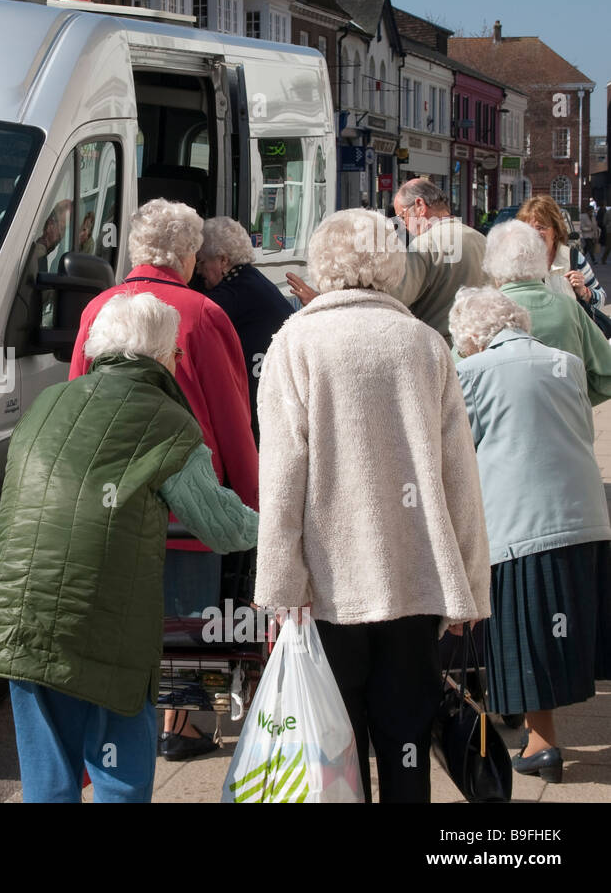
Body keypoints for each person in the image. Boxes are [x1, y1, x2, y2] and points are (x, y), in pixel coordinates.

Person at [0, 292, 260, 803]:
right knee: (120, 775)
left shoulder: (49, 403)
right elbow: (222, 527)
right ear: (168, 356)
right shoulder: (168, 422)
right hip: (106, 627)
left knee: (48, 780)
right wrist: (286, 526)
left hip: (18, 615)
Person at [255, 208, 491, 804]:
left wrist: (281, 587)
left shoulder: (296, 343)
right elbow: (459, 476)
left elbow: (282, 476)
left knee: (336, 752)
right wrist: (469, 587)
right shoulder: (424, 344)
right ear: (390, 262)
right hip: (414, 582)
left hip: (327, 590)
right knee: (406, 742)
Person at [69, 199, 257, 762]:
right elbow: (231, 417)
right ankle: (184, 727)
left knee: (126, 617)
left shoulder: (98, 308)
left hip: (113, 499)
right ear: (190, 254)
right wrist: (247, 501)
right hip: (189, 506)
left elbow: (80, 400)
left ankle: (131, 720)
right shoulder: (202, 313)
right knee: (187, 622)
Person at [449, 287, 611, 784]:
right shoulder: (565, 362)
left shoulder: (473, 373)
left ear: (472, 337)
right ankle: (538, 737)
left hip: (521, 522)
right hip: (584, 516)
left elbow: (457, 452)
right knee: (565, 630)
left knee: (526, 632)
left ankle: (543, 746)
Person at [287, 177, 489, 344]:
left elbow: (389, 303)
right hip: (477, 344)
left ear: (419, 206)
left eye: (401, 216)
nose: (402, 224)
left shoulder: (425, 245)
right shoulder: (479, 239)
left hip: (437, 347)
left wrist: (323, 303)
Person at [483, 220, 611, 405]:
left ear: (492, 265)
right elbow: (606, 374)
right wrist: (576, 399)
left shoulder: (481, 313)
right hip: (567, 423)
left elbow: (459, 379)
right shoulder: (569, 308)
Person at [190, 216, 294, 440]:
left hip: (257, 401)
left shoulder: (234, 293)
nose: (197, 271)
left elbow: (191, 316)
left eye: (201, 263)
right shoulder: (249, 280)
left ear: (223, 261)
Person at [517, 194, 606, 309]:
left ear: (556, 230)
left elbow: (601, 300)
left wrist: (584, 292)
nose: (534, 234)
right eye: (528, 228)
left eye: (541, 228)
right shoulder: (517, 261)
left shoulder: (572, 258)